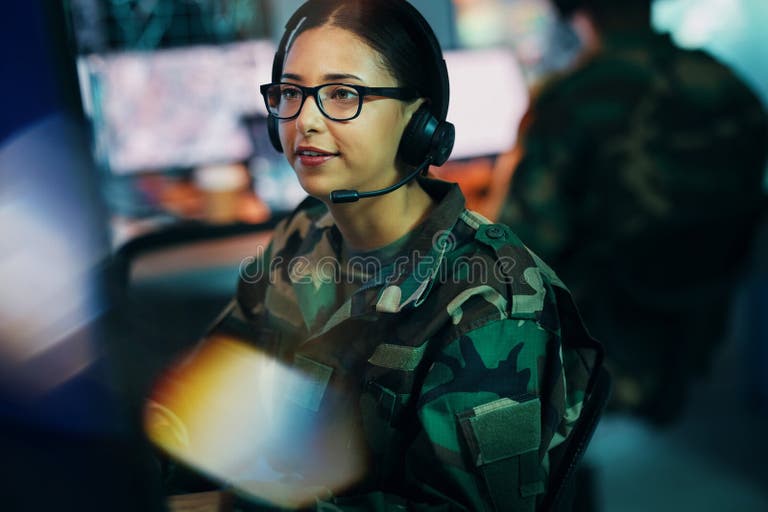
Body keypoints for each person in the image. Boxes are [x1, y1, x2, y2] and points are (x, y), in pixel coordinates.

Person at [150, 1, 602, 510]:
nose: (307, 122)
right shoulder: (306, 231)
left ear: (420, 121)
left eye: (343, 95)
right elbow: (213, 383)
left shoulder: (488, 303)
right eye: (292, 93)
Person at [497, 0, 768, 424]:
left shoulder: (571, 99)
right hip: (697, 315)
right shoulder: (728, 83)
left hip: (607, 331)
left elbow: (517, 253)